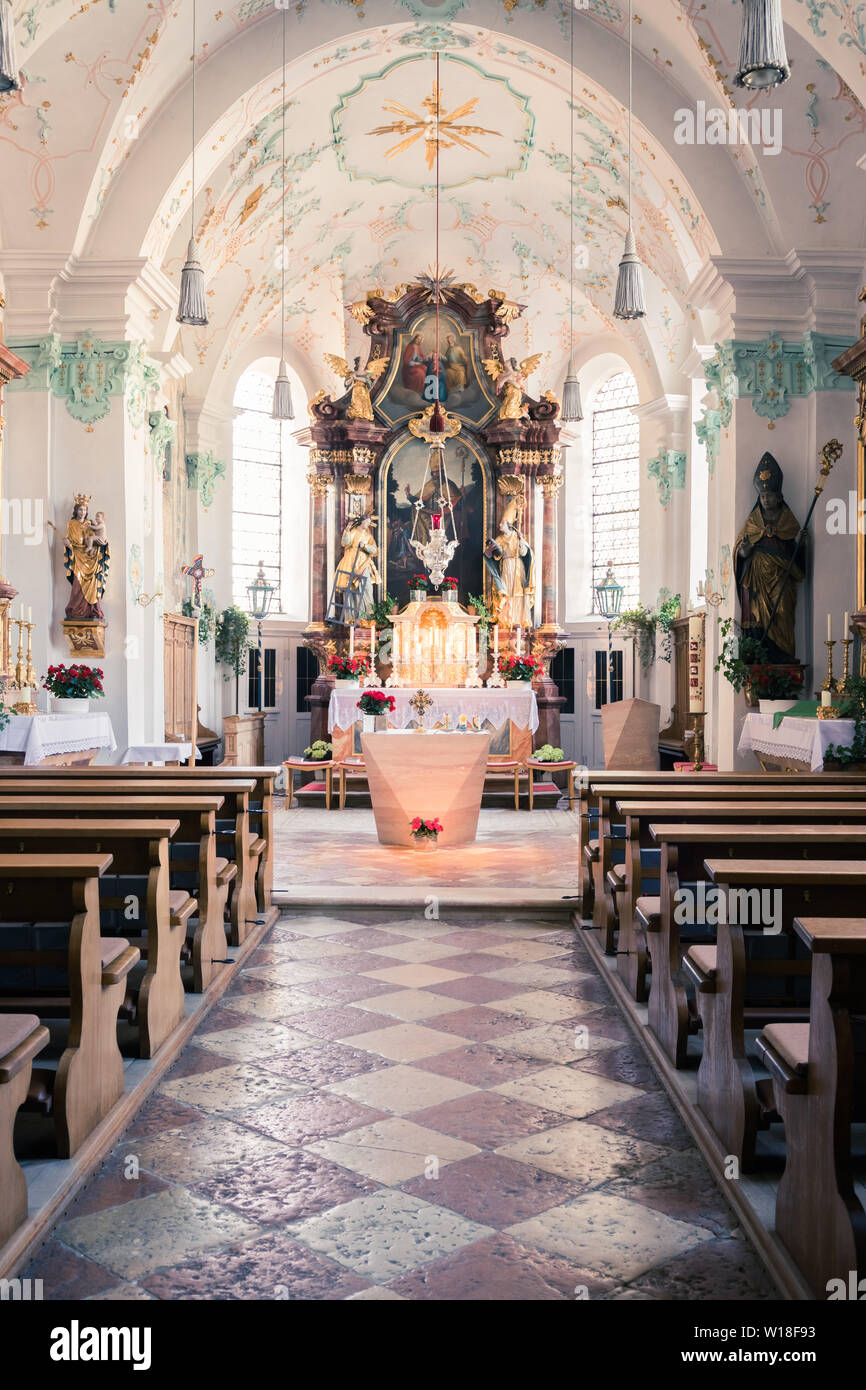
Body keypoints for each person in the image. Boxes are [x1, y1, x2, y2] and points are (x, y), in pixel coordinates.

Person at [734, 452, 805, 662]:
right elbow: (741, 551)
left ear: (779, 497)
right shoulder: (753, 521)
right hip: (756, 578)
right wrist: (744, 550)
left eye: (769, 496)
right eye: (762, 497)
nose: (765, 500)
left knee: (782, 610)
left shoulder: (788, 521)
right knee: (755, 613)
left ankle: (782, 655)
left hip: (781, 574)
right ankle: (759, 654)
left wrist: (801, 544)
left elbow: (795, 549)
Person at [483, 498, 534, 628]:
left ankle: (517, 618)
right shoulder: (499, 539)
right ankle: (505, 619)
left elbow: (525, 554)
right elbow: (497, 557)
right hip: (506, 567)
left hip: (518, 568)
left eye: (502, 523)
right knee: (505, 591)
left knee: (517, 592)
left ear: (508, 524)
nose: (499, 526)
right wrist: (492, 551)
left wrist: (522, 545)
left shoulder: (518, 537)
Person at [61, 497, 110, 621]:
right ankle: (76, 611)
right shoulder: (71, 524)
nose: (82, 512)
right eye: (80, 509)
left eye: (84, 509)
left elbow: (98, 536)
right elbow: (70, 540)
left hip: (91, 557)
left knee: (93, 583)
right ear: (76, 510)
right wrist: (67, 543)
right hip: (77, 555)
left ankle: (92, 610)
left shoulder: (90, 523)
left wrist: (103, 544)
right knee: (77, 585)